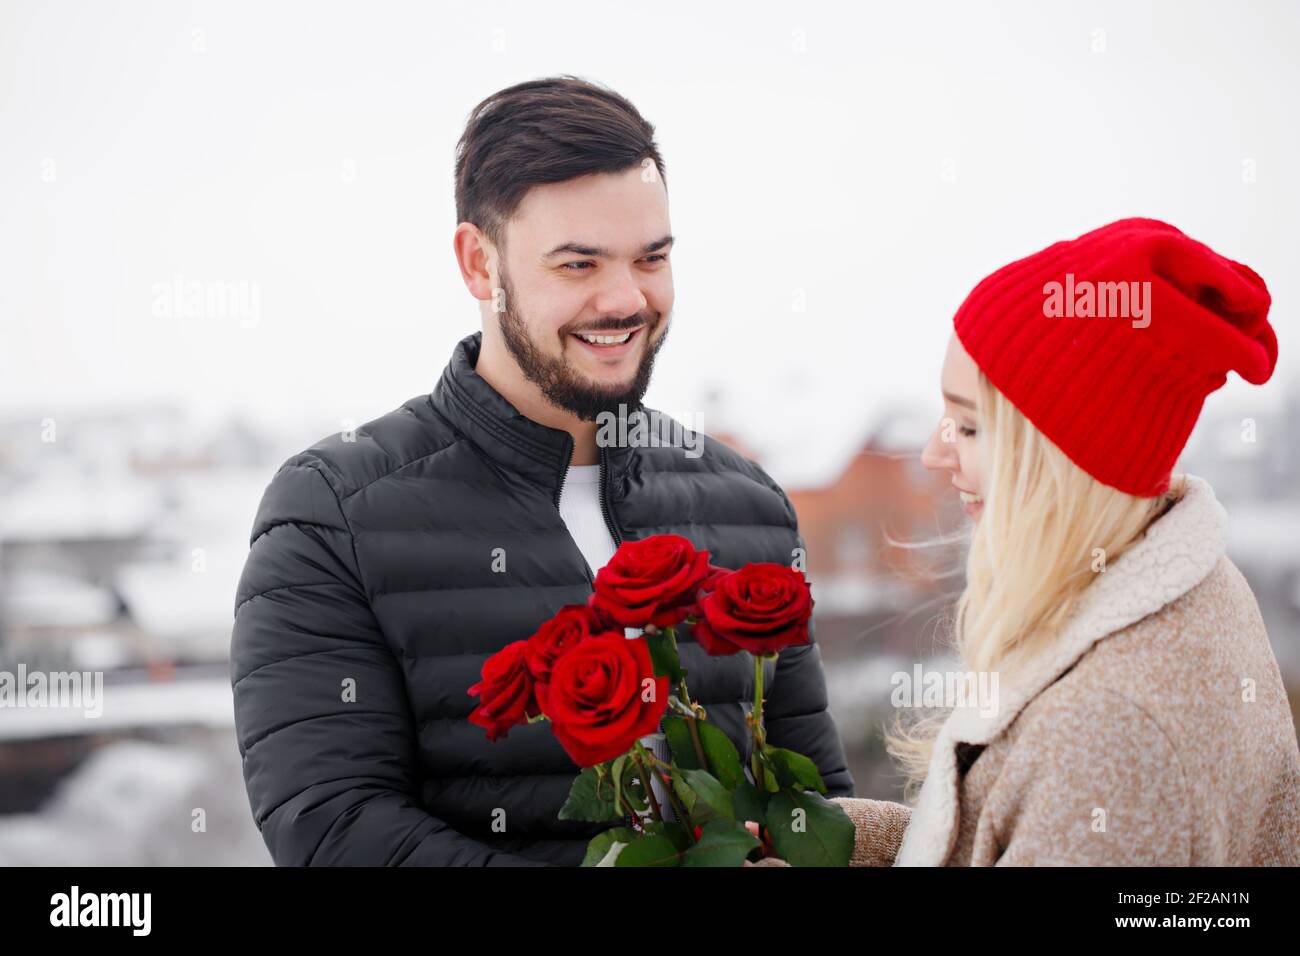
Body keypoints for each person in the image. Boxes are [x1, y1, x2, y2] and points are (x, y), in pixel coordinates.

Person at [229, 75, 854, 867]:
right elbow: (333, 828)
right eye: (578, 265)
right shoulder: (334, 514)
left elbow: (816, 803)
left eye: (650, 258)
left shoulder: (748, 505)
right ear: (478, 263)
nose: (625, 298)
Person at [821, 218, 1300, 866]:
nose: (934, 453)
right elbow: (1017, 829)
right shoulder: (1177, 579)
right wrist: (824, 843)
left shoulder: (1111, 737)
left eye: (967, 426)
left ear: (1057, 459)